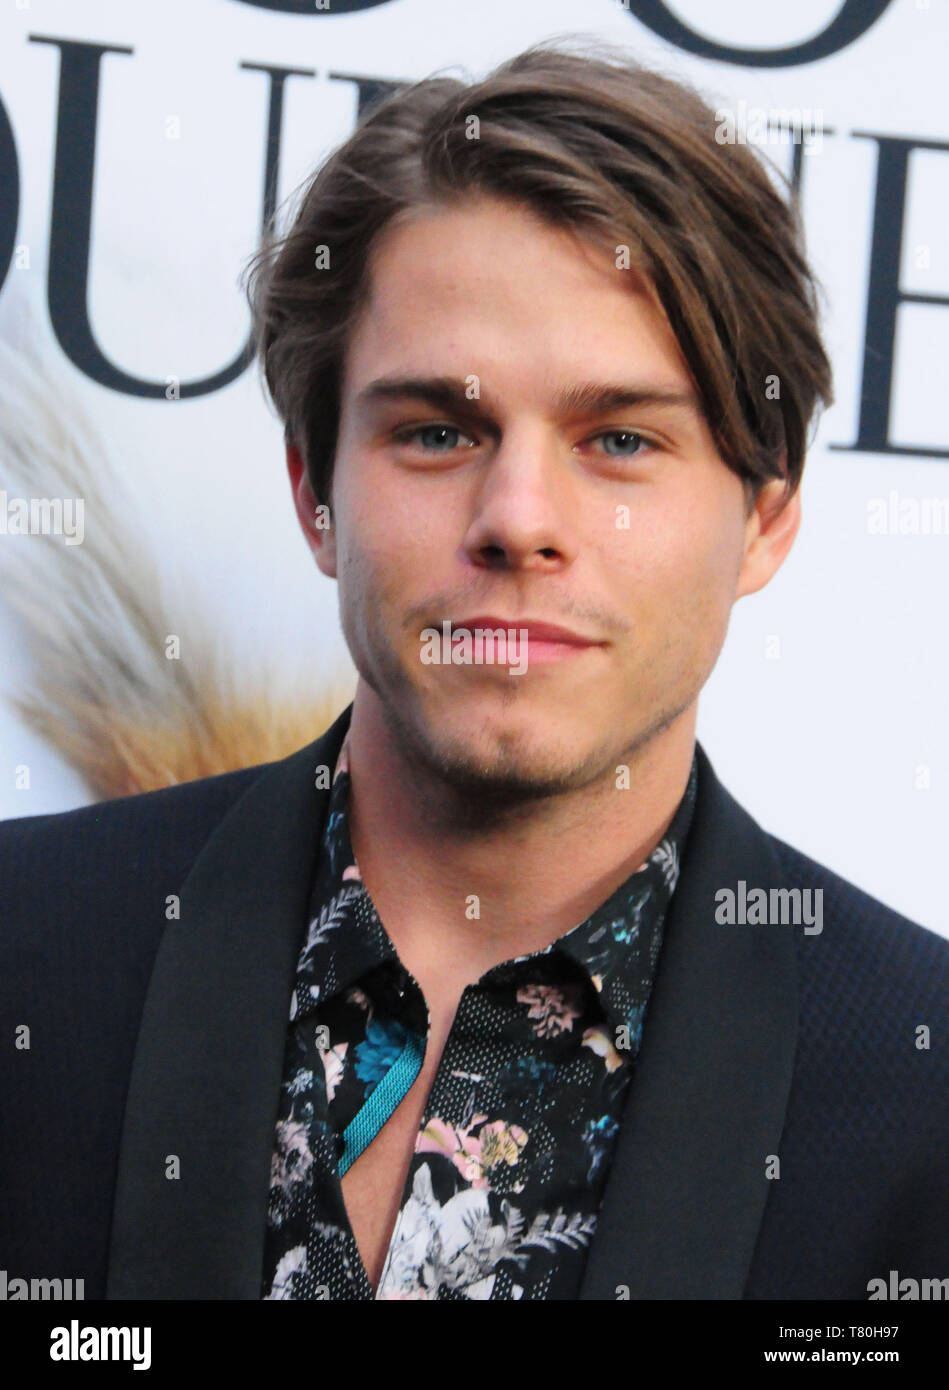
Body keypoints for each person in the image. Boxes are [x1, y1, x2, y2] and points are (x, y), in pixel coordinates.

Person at [1, 39, 946, 1303]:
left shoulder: (917, 1093)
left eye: (618, 439)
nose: (516, 516)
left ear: (765, 517)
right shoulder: (28, 952)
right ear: (313, 492)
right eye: (437, 431)